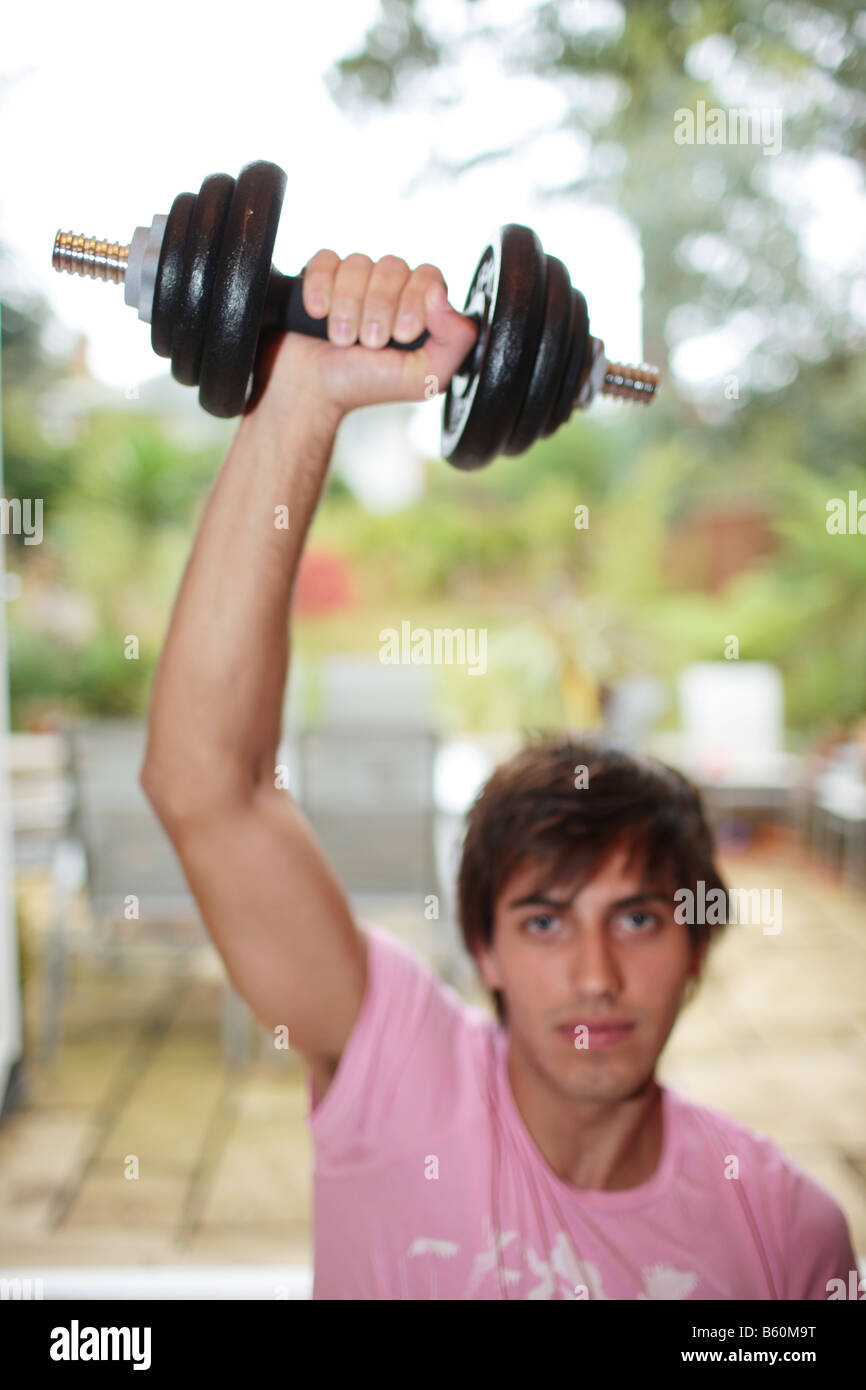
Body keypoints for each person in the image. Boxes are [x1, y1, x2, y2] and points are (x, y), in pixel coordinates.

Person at [140, 251, 857, 1300]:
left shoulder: (780, 1231)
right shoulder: (400, 1082)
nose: (594, 975)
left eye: (639, 918)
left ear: (697, 941)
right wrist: (301, 396)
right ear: (480, 947)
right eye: (542, 921)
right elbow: (207, 783)